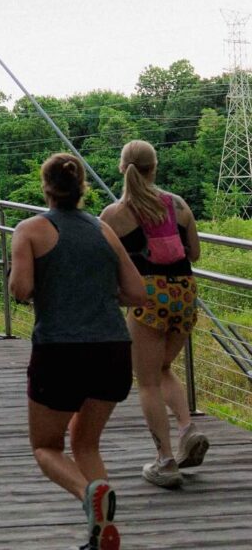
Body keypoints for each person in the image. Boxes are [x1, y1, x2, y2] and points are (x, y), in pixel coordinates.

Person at [10, 153, 147, 550]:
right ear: (82, 187)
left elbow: (20, 290)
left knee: (46, 447)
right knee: (86, 442)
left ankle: (88, 493)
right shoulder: (103, 230)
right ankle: (99, 530)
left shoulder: (30, 230)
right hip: (113, 350)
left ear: (45, 187)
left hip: (60, 351)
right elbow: (137, 293)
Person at [100, 139, 208, 488]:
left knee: (146, 380)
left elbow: (102, 264)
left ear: (122, 168)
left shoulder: (114, 215)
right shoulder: (177, 205)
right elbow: (195, 253)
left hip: (147, 299)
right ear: (155, 167)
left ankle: (165, 462)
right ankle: (187, 428)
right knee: (162, 367)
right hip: (184, 294)